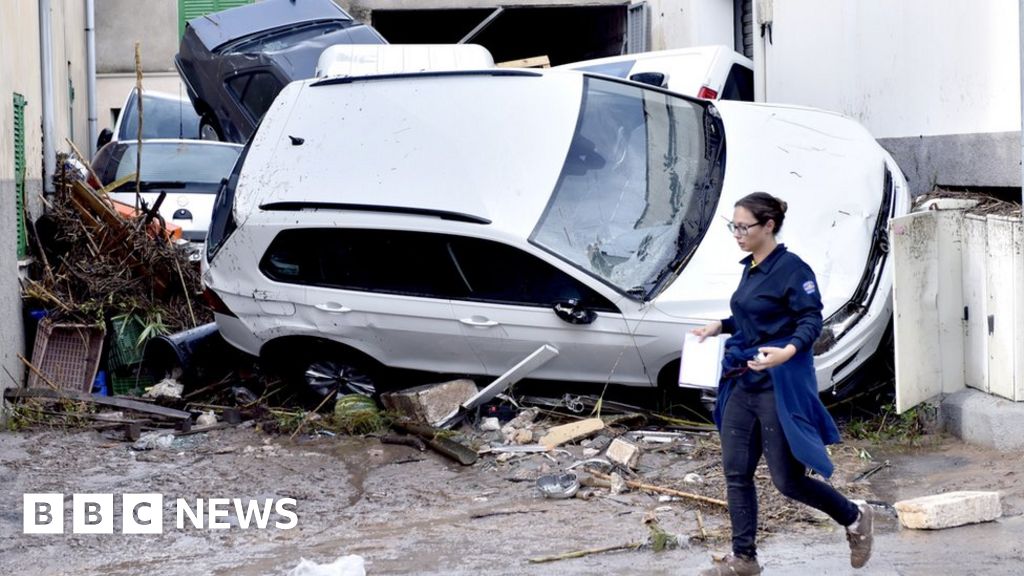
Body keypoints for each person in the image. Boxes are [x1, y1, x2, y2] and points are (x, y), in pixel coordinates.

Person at [692, 192, 873, 576]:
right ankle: (744, 559)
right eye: (734, 227)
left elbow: (811, 322)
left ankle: (854, 516)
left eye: (744, 227)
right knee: (736, 472)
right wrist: (720, 326)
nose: (737, 234)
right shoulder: (752, 267)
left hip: (778, 386)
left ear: (768, 226)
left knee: (787, 481)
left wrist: (787, 352)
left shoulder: (793, 270)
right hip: (743, 383)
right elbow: (752, 315)